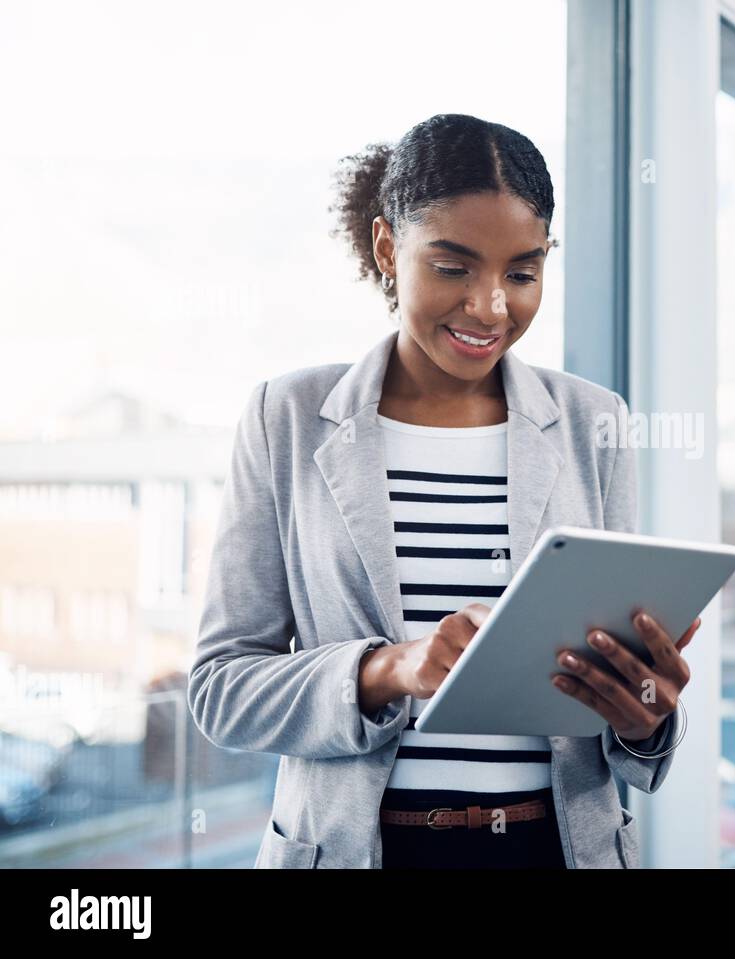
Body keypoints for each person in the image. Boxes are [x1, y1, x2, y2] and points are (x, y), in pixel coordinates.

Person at [187, 113, 696, 869]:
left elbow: (625, 734)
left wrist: (647, 714)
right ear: (388, 247)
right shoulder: (285, 419)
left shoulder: (595, 423)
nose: (491, 307)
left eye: (522, 272)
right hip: (361, 852)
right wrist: (388, 668)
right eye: (454, 267)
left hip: (556, 849)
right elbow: (222, 689)